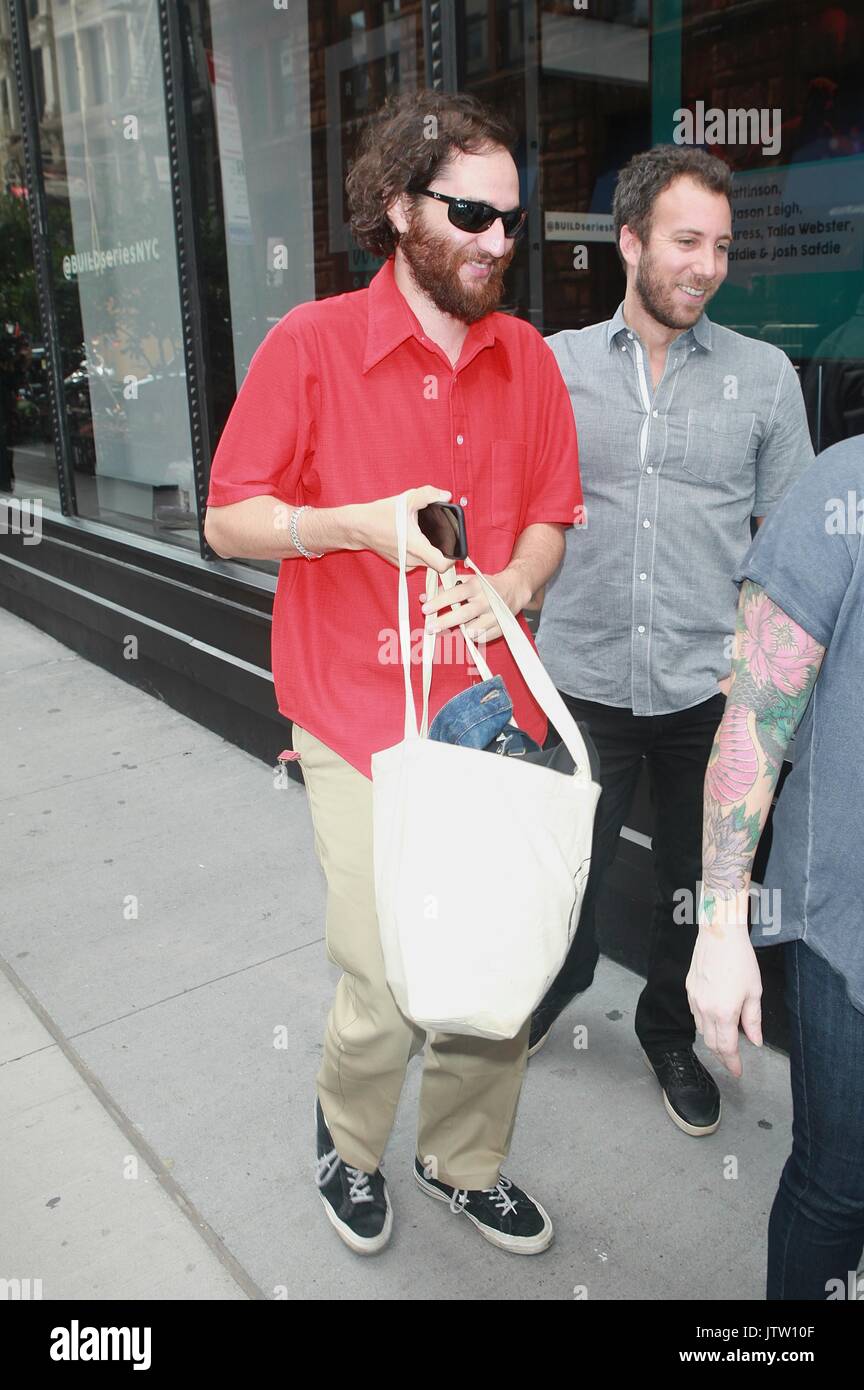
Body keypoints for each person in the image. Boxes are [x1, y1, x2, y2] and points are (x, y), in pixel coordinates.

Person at [203, 90, 583, 1256]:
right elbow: (230, 520)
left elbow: (554, 518)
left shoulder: (529, 359)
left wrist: (513, 587)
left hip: (493, 716)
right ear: (398, 206)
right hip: (356, 713)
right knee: (384, 971)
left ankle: (462, 1159)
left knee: (493, 963)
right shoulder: (309, 345)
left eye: (512, 219)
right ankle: (348, 1137)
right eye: (472, 213)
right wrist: (354, 524)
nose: (498, 241)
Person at [529, 145, 814, 1139]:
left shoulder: (766, 379)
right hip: (579, 684)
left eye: (723, 247)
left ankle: (665, 1030)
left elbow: (791, 555)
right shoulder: (553, 366)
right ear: (630, 242)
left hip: (708, 693)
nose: (706, 265)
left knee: (688, 895)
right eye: (686, 241)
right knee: (562, 873)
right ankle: (548, 986)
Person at [688, 436, 864, 1299]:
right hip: (850, 941)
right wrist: (721, 928)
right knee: (838, 1192)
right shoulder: (845, 490)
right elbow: (752, 721)